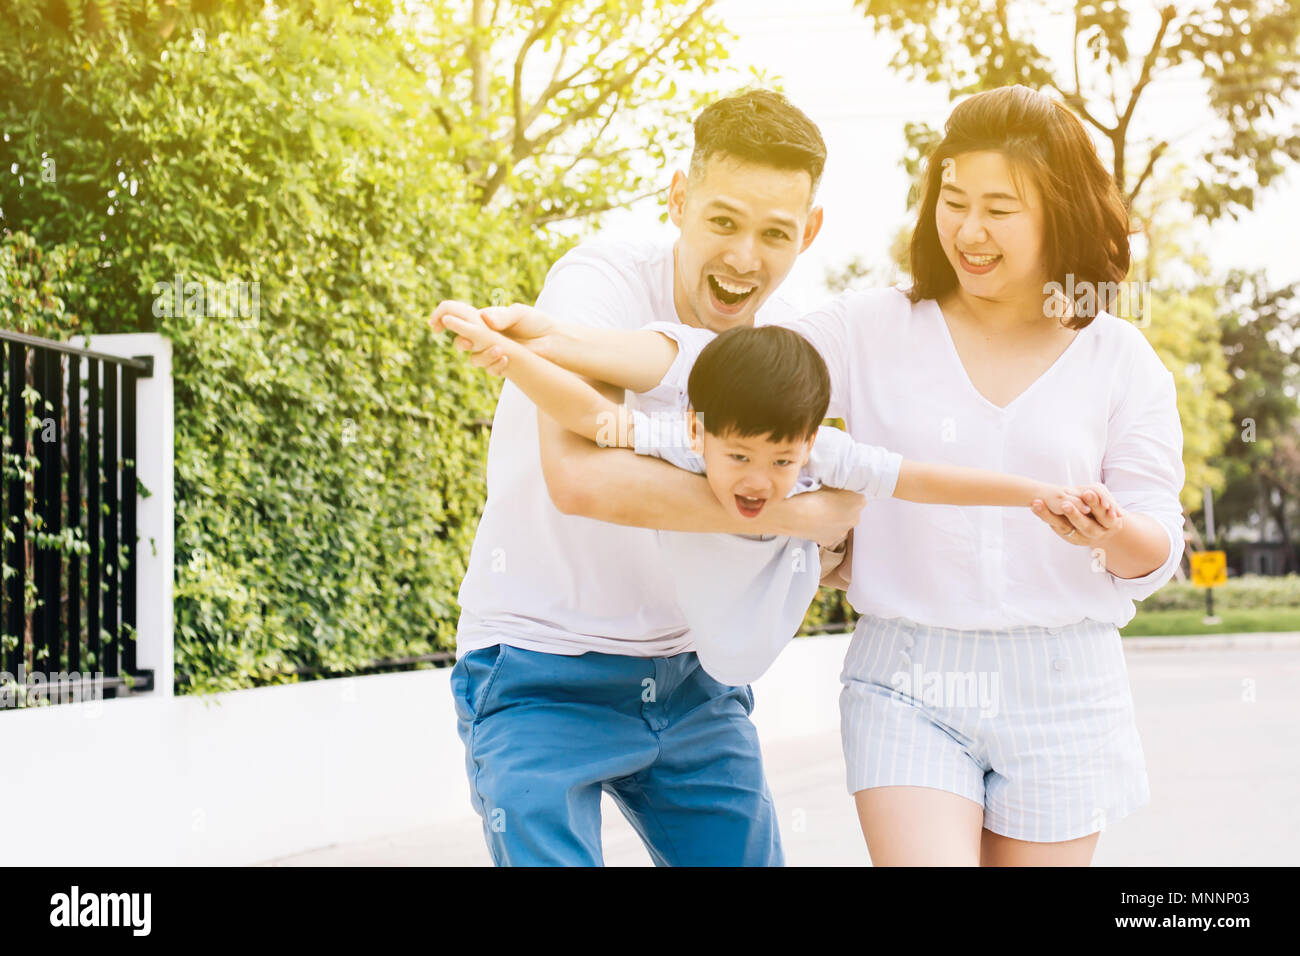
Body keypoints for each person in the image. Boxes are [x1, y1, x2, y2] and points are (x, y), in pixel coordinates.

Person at [443, 89, 855, 867]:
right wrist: (790, 517)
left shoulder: (785, 348)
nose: (743, 258)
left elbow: (833, 517)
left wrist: (817, 533)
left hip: (692, 680)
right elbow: (583, 480)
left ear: (810, 232)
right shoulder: (596, 284)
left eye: (775, 233)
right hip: (539, 667)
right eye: (723, 221)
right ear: (677, 198)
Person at [784, 85, 1186, 865]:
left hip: (1064, 686)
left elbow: (1155, 547)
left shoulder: (1119, 357)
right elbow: (737, 375)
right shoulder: (870, 327)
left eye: (1000, 209)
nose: (969, 230)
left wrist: (1111, 532)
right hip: (907, 677)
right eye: (953, 199)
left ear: (1060, 212)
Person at [431, 306, 1095, 687]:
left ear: (808, 437)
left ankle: (828, 553)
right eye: (739, 456)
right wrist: (505, 356)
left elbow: (927, 478)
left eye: (782, 458)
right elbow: (584, 415)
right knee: (813, 513)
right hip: (707, 641)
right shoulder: (683, 439)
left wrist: (1037, 493)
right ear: (701, 430)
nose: (757, 478)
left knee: (843, 517)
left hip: (772, 608)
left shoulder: (823, 452)